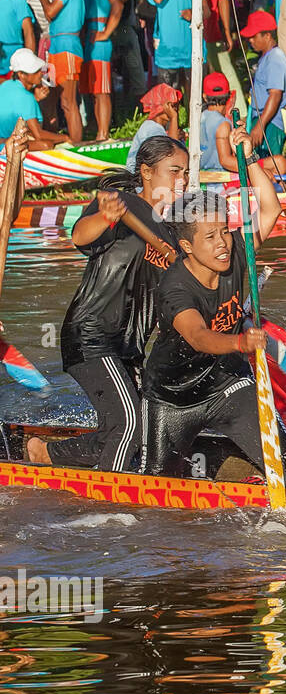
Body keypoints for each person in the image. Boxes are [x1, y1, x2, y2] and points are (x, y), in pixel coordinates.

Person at [26, 136, 187, 472]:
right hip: (91, 335)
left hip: (130, 348)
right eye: (174, 171)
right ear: (146, 172)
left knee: (146, 431)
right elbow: (80, 235)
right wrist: (105, 217)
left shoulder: (172, 236)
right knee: (128, 424)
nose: (183, 181)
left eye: (185, 173)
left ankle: (47, 455)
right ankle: (108, 512)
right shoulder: (121, 202)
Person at [139, 145, 286, 480]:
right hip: (173, 398)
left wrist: (249, 158)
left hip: (225, 385)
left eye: (224, 230)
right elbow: (198, 336)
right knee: (157, 490)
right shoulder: (175, 287)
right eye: (210, 237)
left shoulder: (235, 251)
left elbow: (271, 208)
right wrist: (241, 343)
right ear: (187, 247)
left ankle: (246, 471)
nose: (222, 242)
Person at [27, 0, 84, 143]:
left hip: (67, 46)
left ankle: (77, 146)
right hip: (57, 46)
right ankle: (57, 142)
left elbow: (50, 12)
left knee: (68, 101)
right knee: (55, 98)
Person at [73, 0, 121, 143]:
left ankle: (104, 134)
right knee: (92, 89)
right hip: (86, 39)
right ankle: (97, 131)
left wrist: (107, 32)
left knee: (102, 90)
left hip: (99, 37)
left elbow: (117, 4)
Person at [239, 9, 286, 162]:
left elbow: (275, 96)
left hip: (270, 123)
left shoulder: (275, 59)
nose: (250, 41)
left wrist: (259, 127)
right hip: (262, 120)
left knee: (271, 167)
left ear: (267, 35)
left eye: (253, 37)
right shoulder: (266, 58)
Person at [0, 49, 66, 145]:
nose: (40, 73)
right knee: (46, 145)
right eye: (35, 71)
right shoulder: (26, 97)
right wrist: (65, 138)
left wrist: (36, 99)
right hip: (6, 144)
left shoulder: (6, 85)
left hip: (8, 139)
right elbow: (38, 135)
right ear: (21, 74)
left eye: (39, 69)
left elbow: (18, 108)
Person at [125, 83, 182, 173]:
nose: (175, 109)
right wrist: (174, 118)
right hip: (140, 181)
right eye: (172, 106)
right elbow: (172, 154)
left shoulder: (157, 128)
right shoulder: (152, 129)